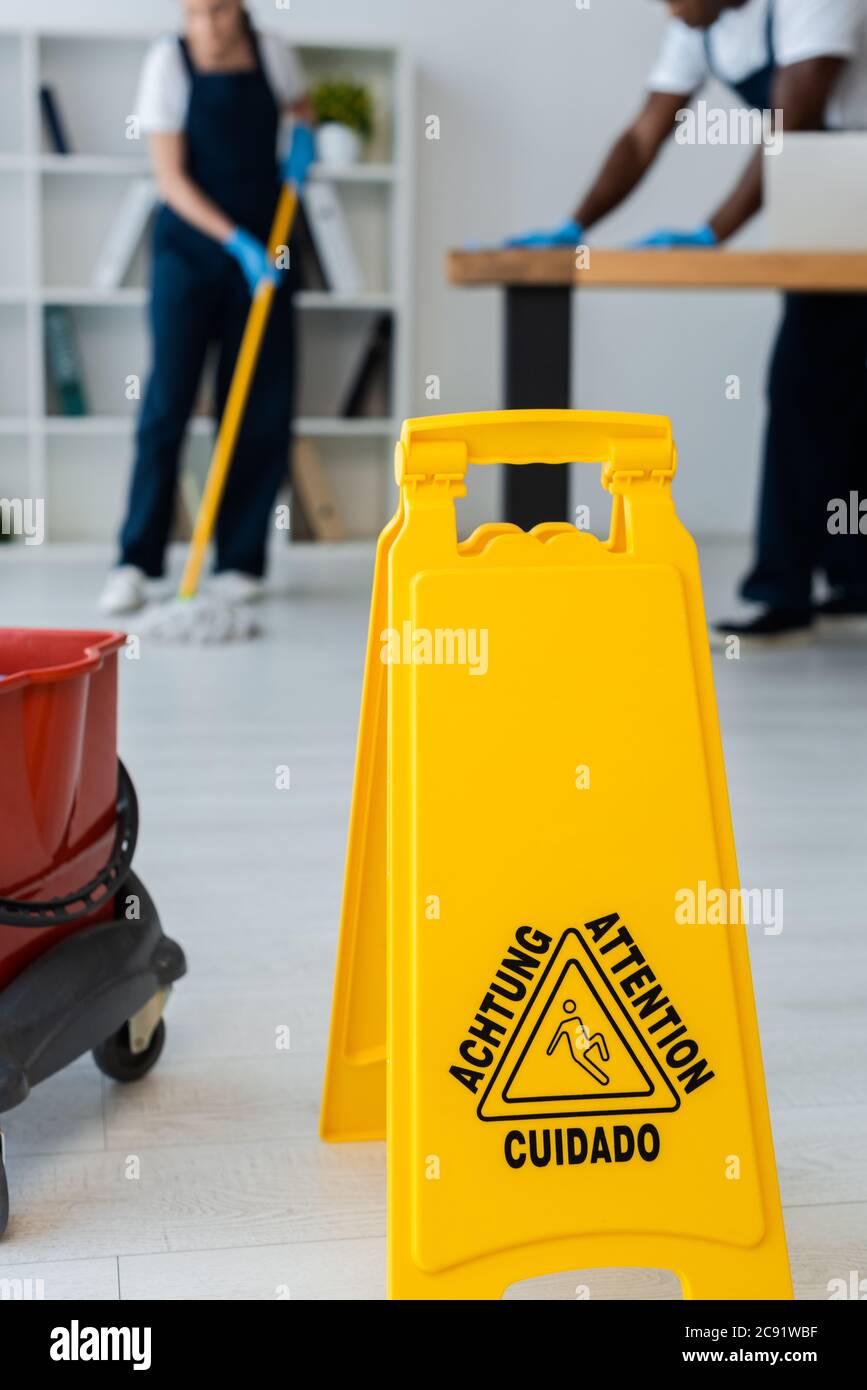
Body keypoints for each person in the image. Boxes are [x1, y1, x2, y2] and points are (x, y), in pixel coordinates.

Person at [508, 0, 867, 643]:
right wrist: (574, 226)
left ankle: (821, 582)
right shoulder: (697, 29)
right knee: (812, 385)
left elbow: (796, 122)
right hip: (833, 195)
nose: (667, 7)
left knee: (822, 382)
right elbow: (645, 133)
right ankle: (813, 585)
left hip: (841, 173)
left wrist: (713, 230)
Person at [100, 0, 313, 615]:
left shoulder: (273, 52)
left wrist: (302, 137)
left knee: (258, 401)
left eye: (219, 12)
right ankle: (136, 561)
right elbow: (169, 178)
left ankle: (240, 562)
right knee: (167, 400)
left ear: (241, 9)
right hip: (190, 250)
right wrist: (234, 242)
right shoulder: (166, 63)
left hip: (269, 245)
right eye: (194, 14)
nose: (208, 29)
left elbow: (300, 106)